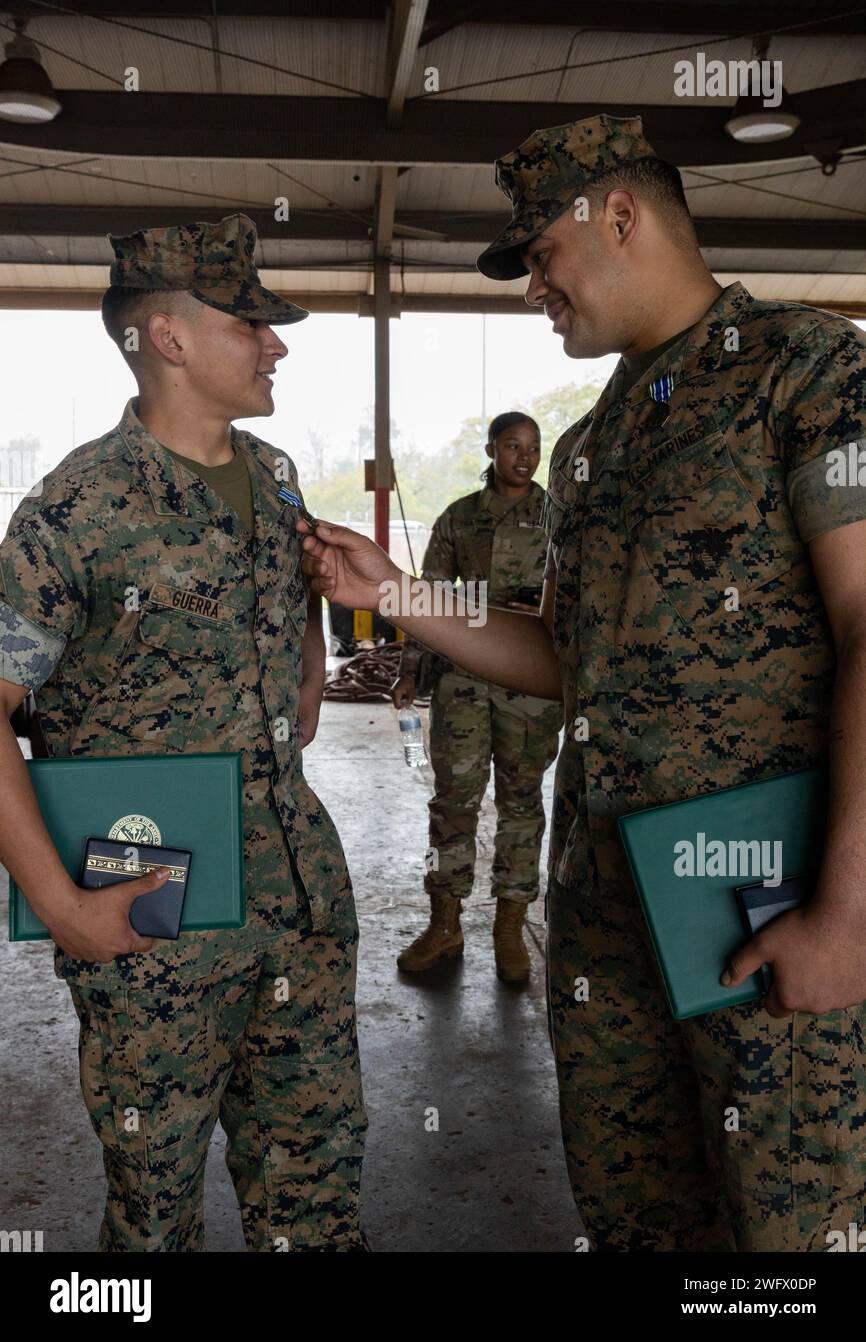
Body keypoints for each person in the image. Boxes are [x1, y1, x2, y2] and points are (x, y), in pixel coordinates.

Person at [298, 114, 866, 1252]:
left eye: (538, 257)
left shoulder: (810, 370)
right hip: (608, 905)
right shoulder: (593, 439)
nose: (531, 290)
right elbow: (563, 649)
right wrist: (400, 591)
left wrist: (847, 914)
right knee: (634, 1207)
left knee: (786, 1224)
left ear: (619, 216)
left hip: (766, 891)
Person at [0, 213, 367, 1252]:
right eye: (251, 321)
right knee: (156, 1210)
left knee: (318, 1188)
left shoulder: (278, 472)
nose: (276, 343)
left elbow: (300, 599)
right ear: (167, 337)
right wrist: (60, 905)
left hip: (299, 899)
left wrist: (305, 663)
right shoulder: (74, 511)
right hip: (155, 920)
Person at [391, 412, 562, 981]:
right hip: (463, 678)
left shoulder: (557, 516)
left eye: (533, 448)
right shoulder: (460, 518)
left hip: (532, 686)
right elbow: (430, 598)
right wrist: (412, 669)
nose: (525, 457)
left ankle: (510, 927)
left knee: (521, 804)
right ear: (491, 450)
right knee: (453, 803)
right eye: (513, 446)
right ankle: (444, 924)